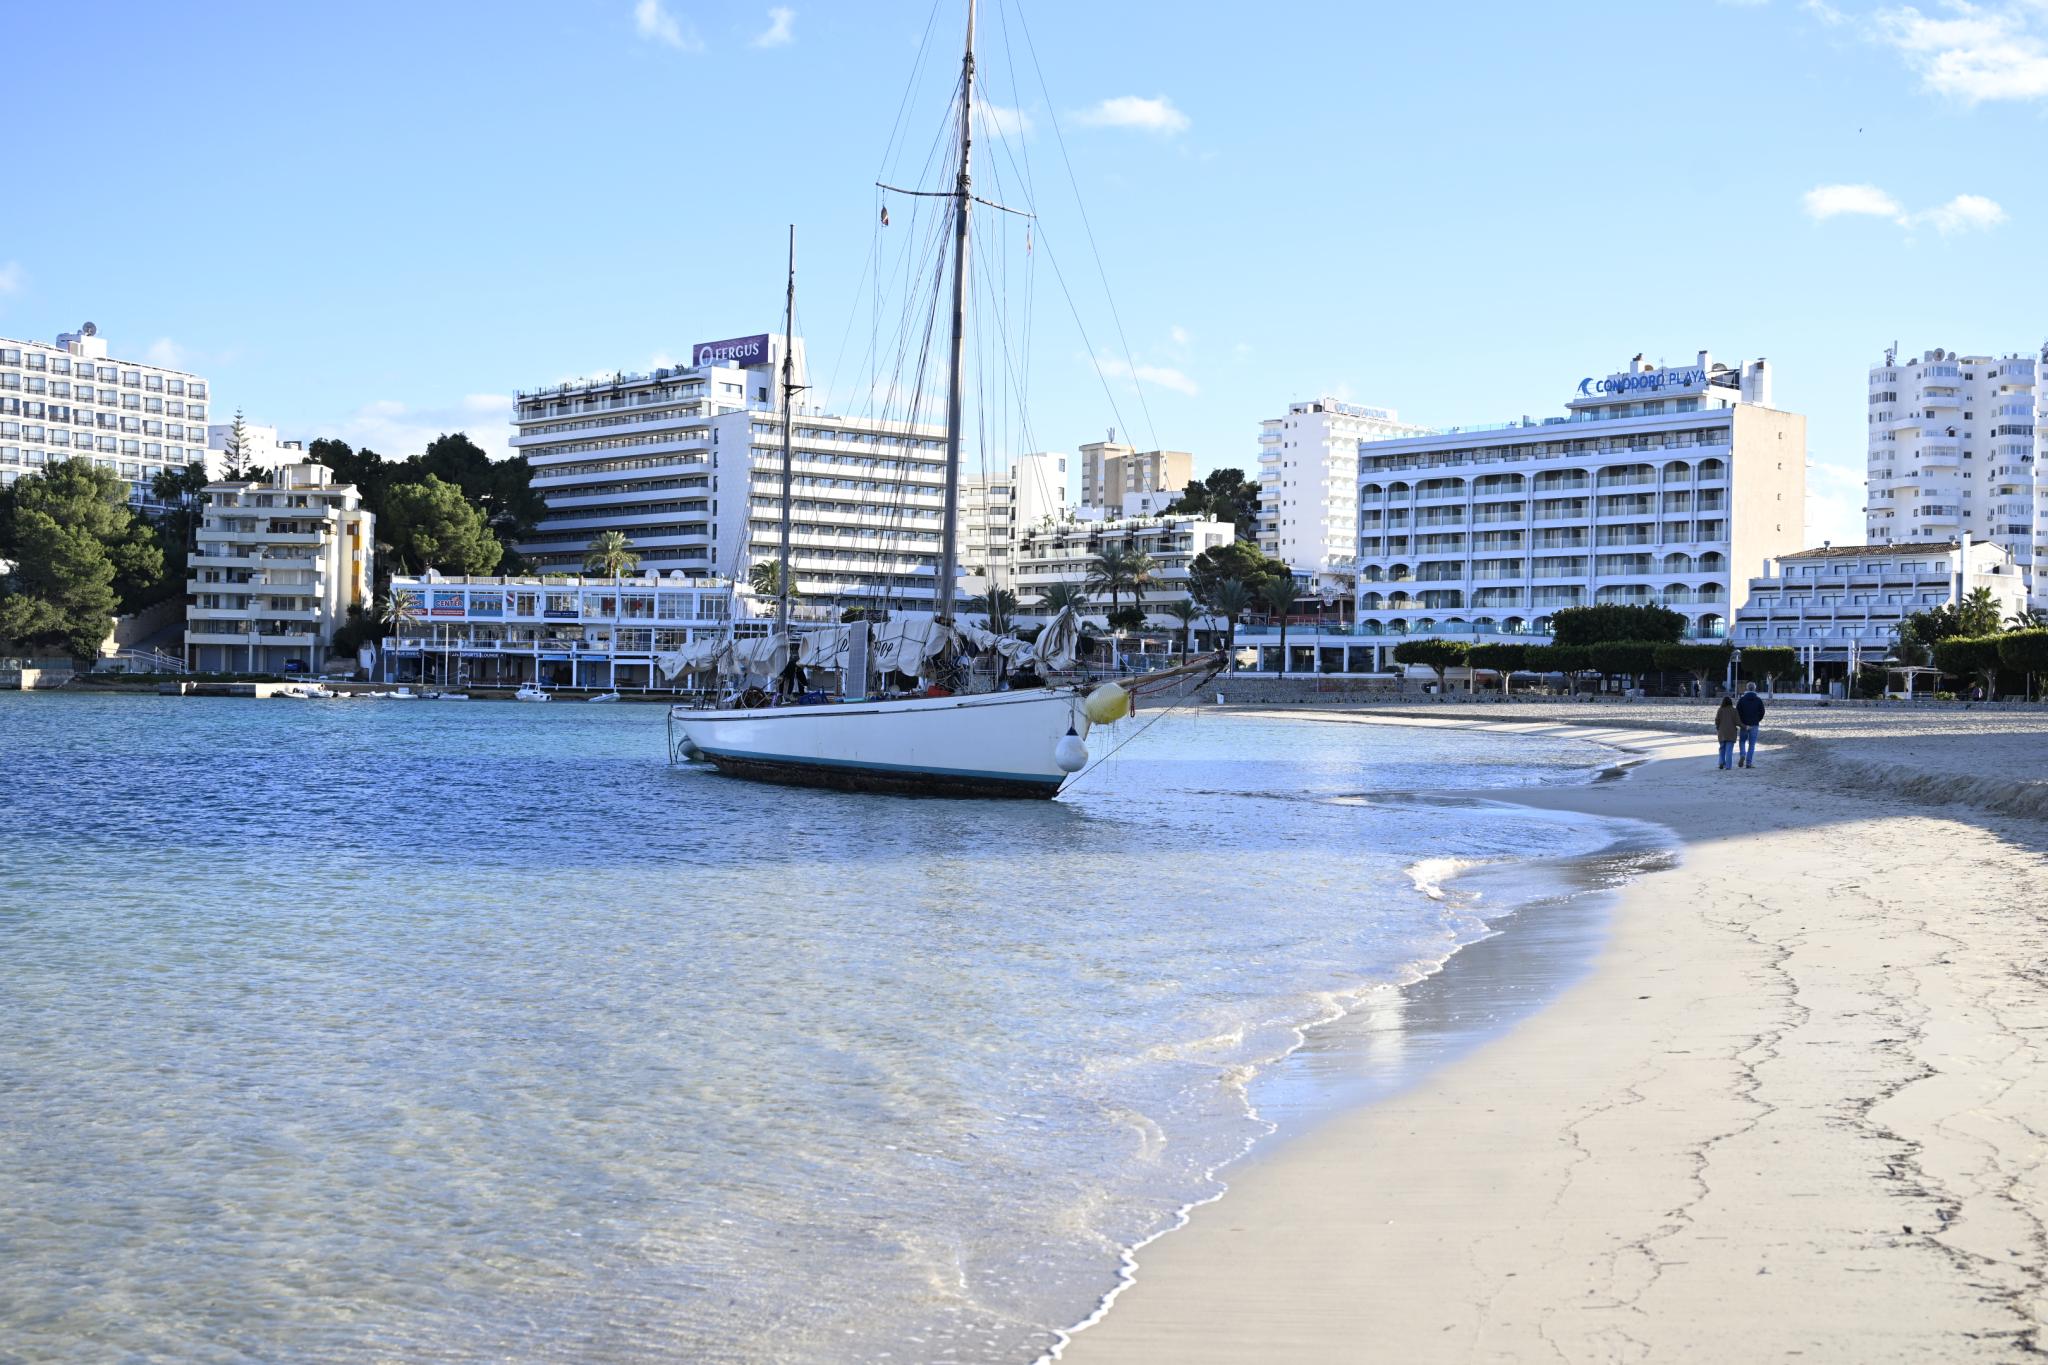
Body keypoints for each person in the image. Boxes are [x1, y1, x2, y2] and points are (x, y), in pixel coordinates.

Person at [1735, 682, 1767, 768]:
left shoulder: (1742, 700)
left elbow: (1737, 712)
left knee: (1742, 741)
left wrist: (1741, 722)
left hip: (1744, 724)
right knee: (1752, 744)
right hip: (1754, 724)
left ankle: (1742, 754)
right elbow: (1762, 712)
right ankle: (1748, 763)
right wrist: (1757, 719)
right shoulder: (1758, 700)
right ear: (1754, 689)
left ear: (1747, 689)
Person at [1714, 696, 1739, 770]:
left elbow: (1717, 721)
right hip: (1731, 732)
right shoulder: (1734, 710)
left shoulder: (1720, 710)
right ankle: (1728, 766)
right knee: (1729, 750)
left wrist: (1718, 728)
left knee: (1722, 748)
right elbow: (1737, 722)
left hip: (1722, 732)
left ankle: (1721, 762)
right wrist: (1745, 727)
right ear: (1731, 702)